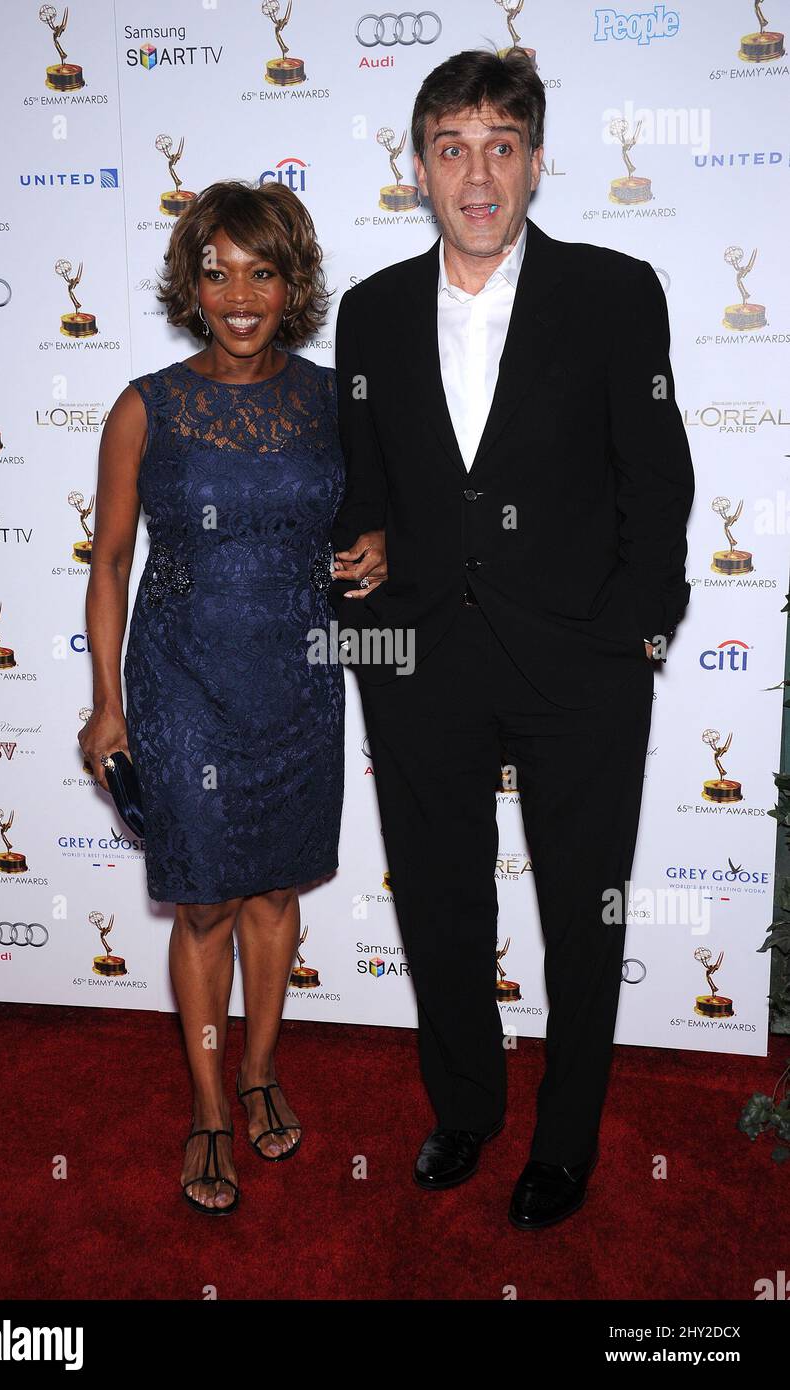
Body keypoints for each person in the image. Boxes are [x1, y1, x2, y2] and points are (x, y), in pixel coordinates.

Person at [328, 48, 695, 1229]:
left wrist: (634, 636)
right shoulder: (373, 309)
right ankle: (467, 1109)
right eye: (451, 147)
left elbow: (660, 484)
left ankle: (567, 1139)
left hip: (579, 666)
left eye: (500, 146)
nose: (476, 174)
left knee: (586, 914)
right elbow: (362, 488)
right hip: (420, 660)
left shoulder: (616, 290)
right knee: (440, 903)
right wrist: (361, 566)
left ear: (536, 161)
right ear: (419, 166)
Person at [79, 180, 347, 1214]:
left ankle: (260, 1069)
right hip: (182, 680)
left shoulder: (333, 400)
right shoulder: (146, 404)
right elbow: (108, 563)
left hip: (300, 679)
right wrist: (109, 705)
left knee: (275, 893)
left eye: (261, 272)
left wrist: (381, 545)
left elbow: (377, 524)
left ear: (291, 283)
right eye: (216, 270)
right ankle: (208, 1109)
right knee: (204, 905)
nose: (239, 294)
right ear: (191, 282)